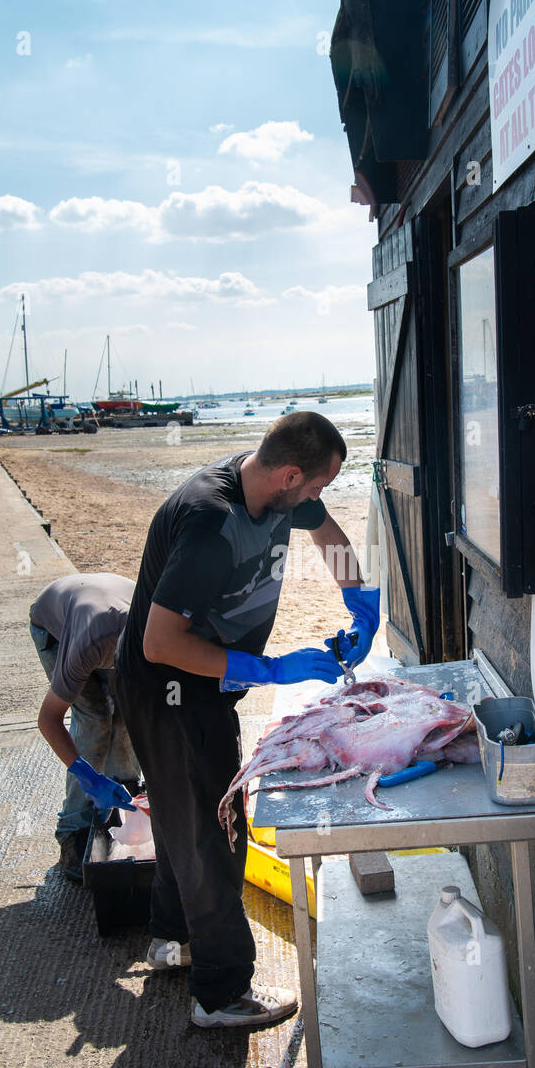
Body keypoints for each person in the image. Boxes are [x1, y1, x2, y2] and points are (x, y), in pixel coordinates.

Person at [115, 412, 380, 1029]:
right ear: (290, 474)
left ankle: (170, 940)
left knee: (184, 817)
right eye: (315, 486)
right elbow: (159, 642)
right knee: (216, 831)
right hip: (170, 690)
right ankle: (219, 994)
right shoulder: (213, 522)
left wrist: (358, 598)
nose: (317, 499)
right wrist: (271, 671)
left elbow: (328, 534)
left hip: (204, 683)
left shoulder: (275, 489)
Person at [30, 573, 142, 882]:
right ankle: (74, 829)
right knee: (94, 720)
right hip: (54, 623)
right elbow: (48, 720)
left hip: (107, 603)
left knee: (125, 720)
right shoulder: (87, 647)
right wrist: (88, 775)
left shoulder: (158, 641)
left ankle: (126, 799)